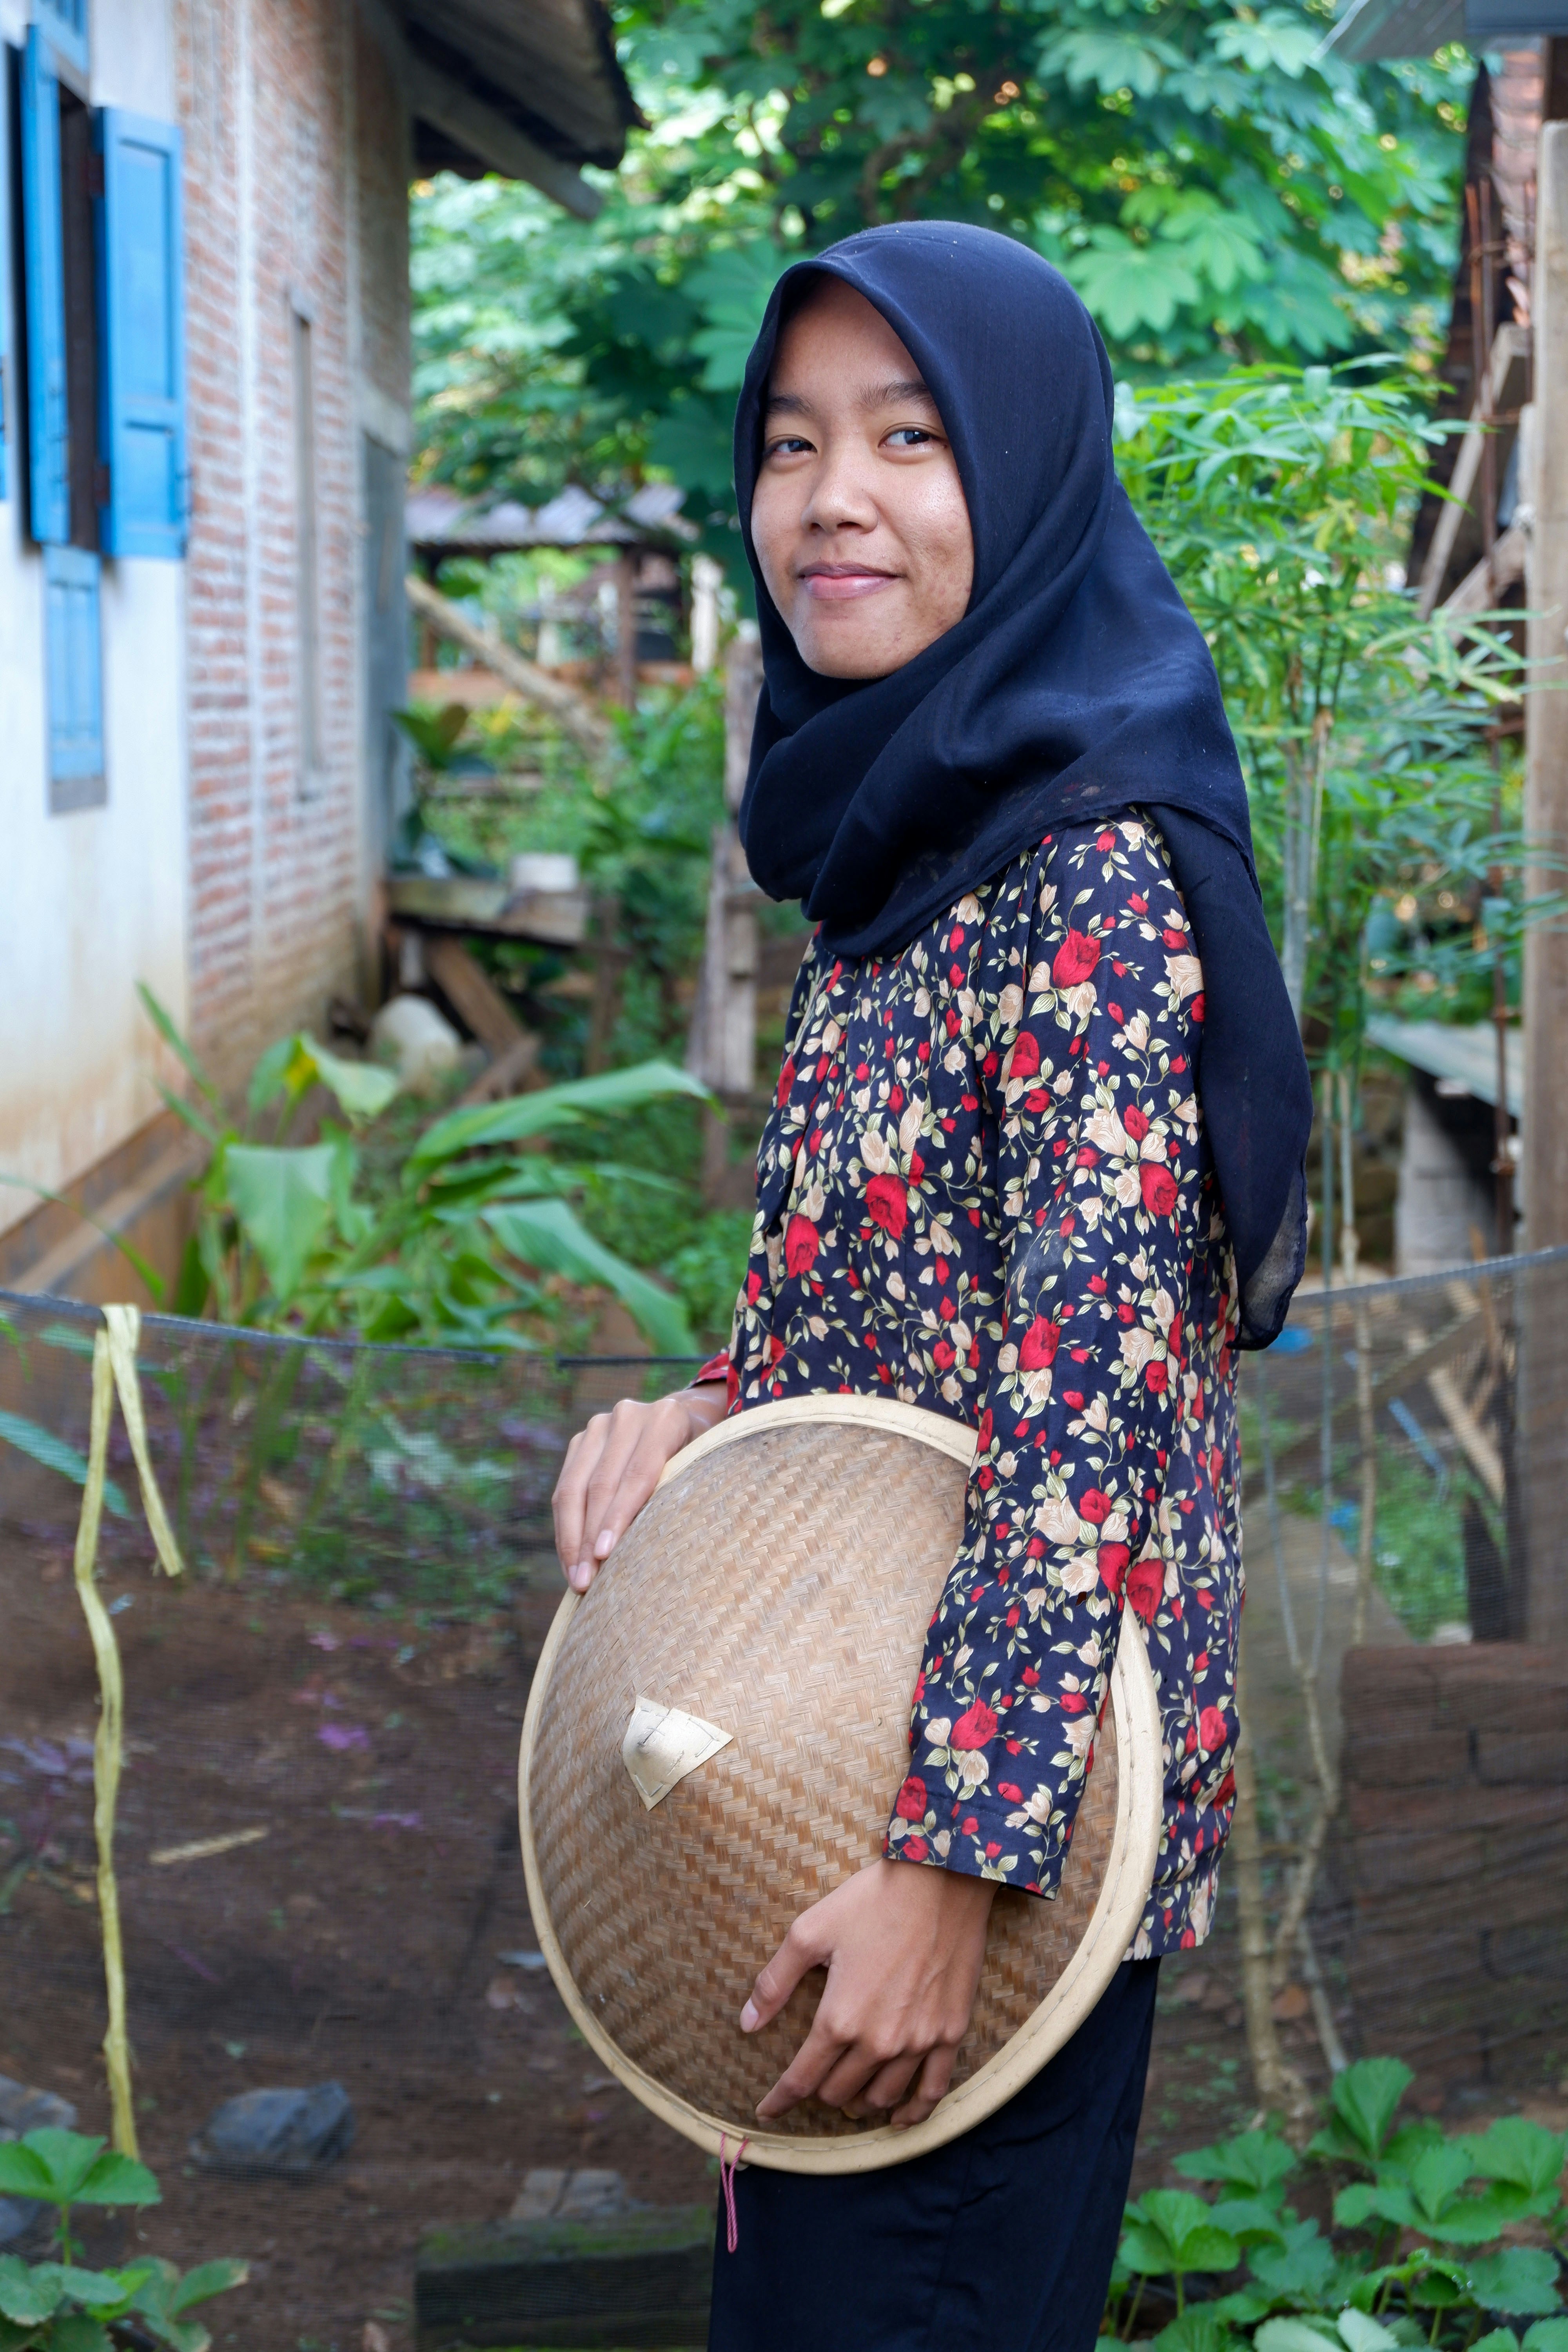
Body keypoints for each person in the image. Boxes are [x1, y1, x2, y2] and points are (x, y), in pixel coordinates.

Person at [551, 222, 1312, 2352]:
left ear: (1037, 470)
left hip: (987, 1856)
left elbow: (1090, 1403)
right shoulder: (921, 833)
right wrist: (717, 1408)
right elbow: (917, 1284)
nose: (833, 498)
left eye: (910, 436)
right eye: (791, 445)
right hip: (835, 1793)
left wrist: (957, 1877)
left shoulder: (1082, 871)